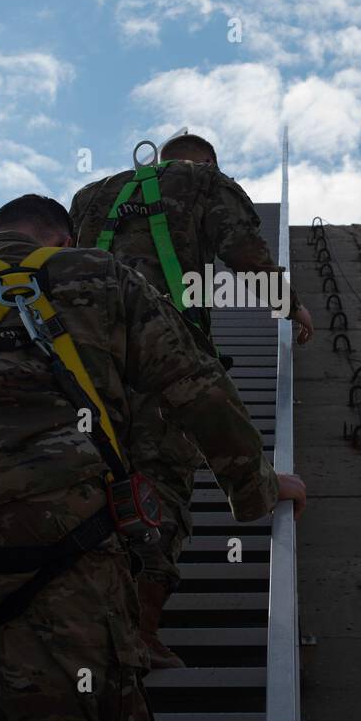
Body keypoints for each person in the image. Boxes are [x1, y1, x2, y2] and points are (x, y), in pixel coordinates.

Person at [0, 194, 306, 721]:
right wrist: (256, 487)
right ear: (63, 240)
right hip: (69, 551)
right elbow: (195, 385)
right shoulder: (101, 276)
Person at [69, 132, 313, 668]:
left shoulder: (92, 195)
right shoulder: (206, 183)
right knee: (158, 487)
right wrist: (290, 305)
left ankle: (77, 625)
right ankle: (139, 635)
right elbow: (244, 253)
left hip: (82, 367)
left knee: (88, 482)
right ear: (210, 163)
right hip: (162, 358)